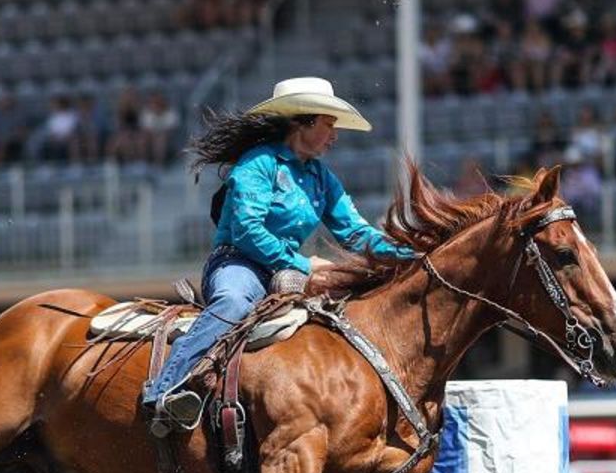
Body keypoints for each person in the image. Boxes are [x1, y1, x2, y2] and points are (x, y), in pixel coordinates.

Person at [142, 77, 413, 436]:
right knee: (233, 304)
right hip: (238, 263)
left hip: (284, 271)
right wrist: (302, 264)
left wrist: (409, 255)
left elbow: (356, 232)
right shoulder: (258, 164)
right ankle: (165, 391)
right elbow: (247, 231)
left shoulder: (322, 177)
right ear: (303, 122)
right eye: (329, 124)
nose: (334, 135)